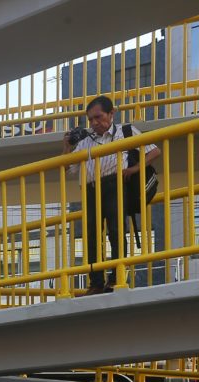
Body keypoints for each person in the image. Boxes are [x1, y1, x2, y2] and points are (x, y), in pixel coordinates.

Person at [63, 95, 161, 295]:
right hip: (91, 188)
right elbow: (67, 167)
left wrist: (133, 169)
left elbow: (154, 151)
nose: (94, 123)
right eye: (90, 119)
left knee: (116, 231)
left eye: (98, 117)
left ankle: (115, 278)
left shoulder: (125, 132)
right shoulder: (85, 141)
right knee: (91, 235)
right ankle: (96, 282)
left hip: (115, 184)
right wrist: (67, 145)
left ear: (111, 113)